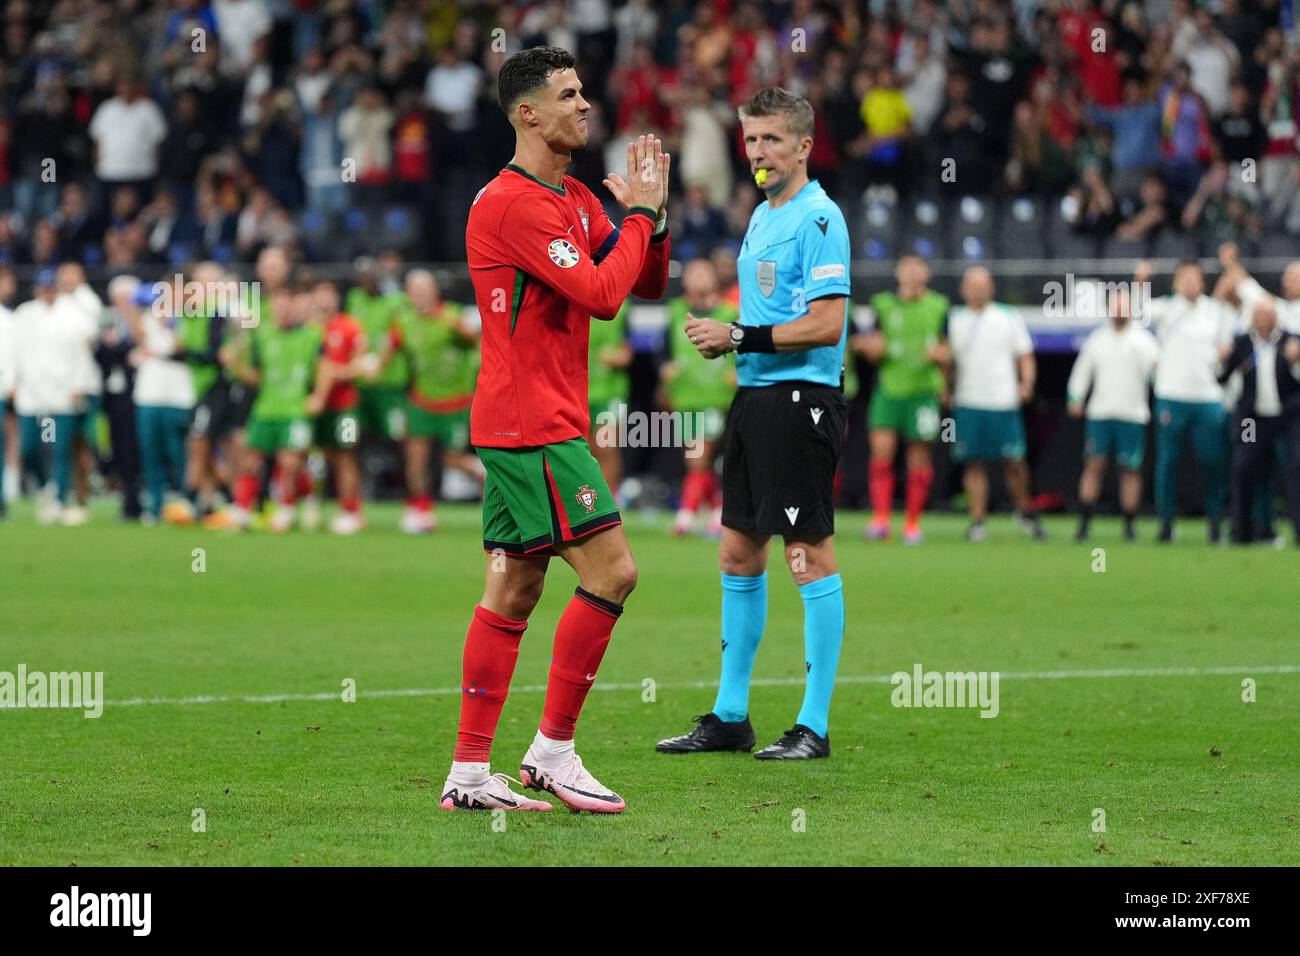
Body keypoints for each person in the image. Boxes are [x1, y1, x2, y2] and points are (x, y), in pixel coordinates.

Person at [441, 46, 669, 813]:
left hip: (526, 420)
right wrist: (636, 215)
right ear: (527, 113)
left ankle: (470, 776)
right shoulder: (515, 204)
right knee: (613, 573)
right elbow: (605, 293)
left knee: (512, 592)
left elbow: (646, 280)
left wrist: (653, 222)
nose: (586, 106)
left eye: (585, 92)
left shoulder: (571, 196)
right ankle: (553, 752)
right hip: (534, 424)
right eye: (570, 95)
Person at [656, 86, 850, 761]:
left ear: (803, 145)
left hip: (802, 401)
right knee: (738, 551)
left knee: (807, 554)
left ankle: (814, 725)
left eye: (771, 140)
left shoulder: (820, 217)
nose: (759, 153)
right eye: (751, 140)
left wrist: (737, 334)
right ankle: (731, 715)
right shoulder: (765, 215)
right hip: (755, 401)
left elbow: (827, 323)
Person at [1135, 258, 1235, 542]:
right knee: (1168, 462)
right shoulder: (1166, 308)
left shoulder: (1217, 310)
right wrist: (1141, 281)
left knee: (1213, 461)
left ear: (1202, 282)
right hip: (1171, 396)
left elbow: (1226, 348)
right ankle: (1165, 524)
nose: (1190, 283)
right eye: (1184, 278)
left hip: (1208, 398)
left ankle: (1216, 523)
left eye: (1195, 278)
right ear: (1176, 282)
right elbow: (1136, 312)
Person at [948, 266, 1046, 541]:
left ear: (992, 288)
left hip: (1003, 401)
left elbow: (1025, 354)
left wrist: (1026, 383)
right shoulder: (954, 318)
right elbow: (946, 359)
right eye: (972, 284)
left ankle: (1024, 511)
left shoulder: (1008, 316)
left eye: (983, 284)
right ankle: (977, 520)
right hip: (968, 400)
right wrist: (945, 388)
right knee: (972, 462)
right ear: (963, 289)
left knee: (1014, 460)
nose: (978, 289)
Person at [856, 253, 948, 544]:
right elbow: (872, 343)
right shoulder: (882, 304)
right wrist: (871, 348)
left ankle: (912, 523)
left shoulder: (939, 306)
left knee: (919, 458)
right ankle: (881, 519)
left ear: (926, 274)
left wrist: (942, 358)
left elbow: (947, 350)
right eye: (906, 267)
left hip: (923, 393)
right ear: (897, 272)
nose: (911, 273)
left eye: (917, 268)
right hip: (889, 391)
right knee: (881, 454)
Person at [391, 269, 482, 534]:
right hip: (421, 401)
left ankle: (486, 476)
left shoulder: (452, 316)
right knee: (415, 459)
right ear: (408, 295)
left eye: (425, 290)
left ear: (435, 291)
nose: (420, 296)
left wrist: (459, 329)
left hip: (456, 402)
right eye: (415, 291)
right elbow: (390, 351)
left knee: (452, 458)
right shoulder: (404, 322)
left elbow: (476, 342)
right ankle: (421, 509)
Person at [225, 286, 323, 532]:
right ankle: (242, 510)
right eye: (277, 306)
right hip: (266, 409)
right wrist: (235, 364)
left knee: (290, 463)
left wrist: (319, 396)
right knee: (250, 461)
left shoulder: (311, 337)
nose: (283, 311)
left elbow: (324, 367)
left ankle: (287, 508)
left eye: (287, 306)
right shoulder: (263, 337)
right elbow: (256, 376)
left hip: (295, 410)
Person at [1067, 288, 1159, 541]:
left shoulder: (1144, 341)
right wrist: (1075, 398)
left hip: (1133, 415)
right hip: (1100, 414)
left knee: (1130, 468)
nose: (1119, 311)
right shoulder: (1096, 340)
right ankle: (1084, 524)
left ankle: (1129, 526)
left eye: (1123, 306)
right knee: (1094, 465)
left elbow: (1157, 375)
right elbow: (1081, 373)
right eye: (1115, 306)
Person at [662, 258, 736, 537]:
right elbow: (663, 349)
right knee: (699, 460)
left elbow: (745, 344)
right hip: (685, 396)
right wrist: (664, 368)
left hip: (719, 396)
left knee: (699, 456)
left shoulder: (730, 310)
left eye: (704, 272)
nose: (698, 278)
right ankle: (718, 511)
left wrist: (737, 371)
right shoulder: (676, 311)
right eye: (693, 273)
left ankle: (686, 514)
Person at [1217, 297, 1300, 545]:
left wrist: (1296, 360)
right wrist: (1222, 360)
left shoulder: (1291, 341)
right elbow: (1222, 378)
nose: (1263, 319)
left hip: (1287, 417)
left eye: (1268, 314)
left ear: (1276, 317)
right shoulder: (1242, 343)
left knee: (1295, 466)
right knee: (1244, 466)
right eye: (1259, 314)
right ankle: (1242, 532)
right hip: (1252, 420)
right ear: (1252, 317)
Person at [12, 269, 81, 524]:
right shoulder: (25, 314)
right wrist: (14, 381)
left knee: (58, 448)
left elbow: (80, 352)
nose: (47, 292)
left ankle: (59, 499)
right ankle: (46, 487)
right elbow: (14, 351)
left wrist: (78, 384)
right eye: (43, 287)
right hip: (31, 394)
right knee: (29, 447)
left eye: (51, 287)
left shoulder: (72, 314)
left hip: (61, 395)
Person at [129, 278, 196, 524]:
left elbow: (182, 348)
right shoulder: (148, 318)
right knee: (150, 453)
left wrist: (172, 323)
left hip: (179, 396)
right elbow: (137, 335)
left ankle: (187, 500)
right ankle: (154, 505)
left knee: (179, 453)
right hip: (148, 394)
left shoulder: (190, 320)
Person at [306, 280, 369, 535]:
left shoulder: (350, 327)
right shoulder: (309, 329)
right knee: (316, 456)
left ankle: (351, 510)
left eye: (328, 295)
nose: (324, 301)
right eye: (319, 295)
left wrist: (337, 373)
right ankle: (311, 505)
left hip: (344, 405)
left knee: (345, 455)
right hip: (315, 405)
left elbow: (362, 362)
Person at [587, 299, 631, 497]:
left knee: (606, 447)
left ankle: (610, 499)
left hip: (610, 392)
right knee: (587, 452)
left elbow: (628, 351)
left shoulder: (622, 307)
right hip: (579, 391)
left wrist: (619, 357)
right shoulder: (568, 298)